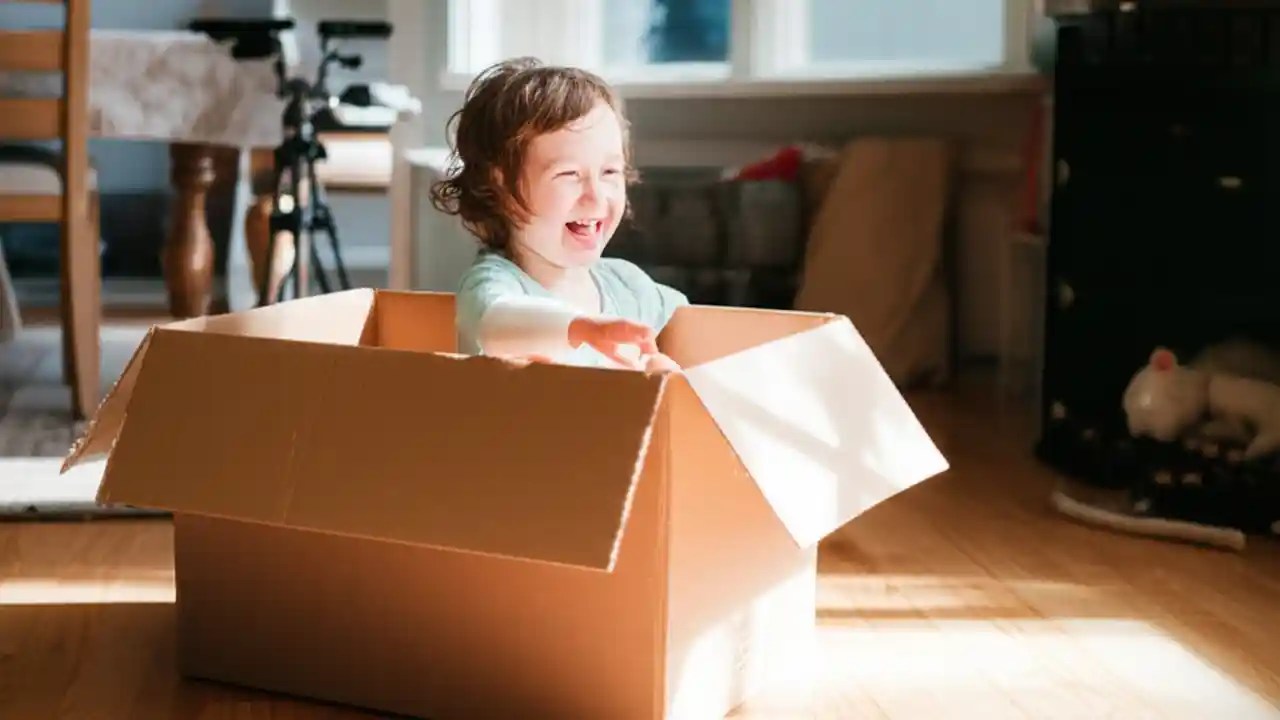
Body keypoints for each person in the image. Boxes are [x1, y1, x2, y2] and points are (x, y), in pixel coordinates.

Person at [429, 57, 686, 372]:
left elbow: (704, 328)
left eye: (609, 171)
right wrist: (585, 329)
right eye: (569, 174)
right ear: (502, 189)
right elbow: (496, 324)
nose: (596, 196)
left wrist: (669, 370)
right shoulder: (496, 283)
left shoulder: (629, 286)